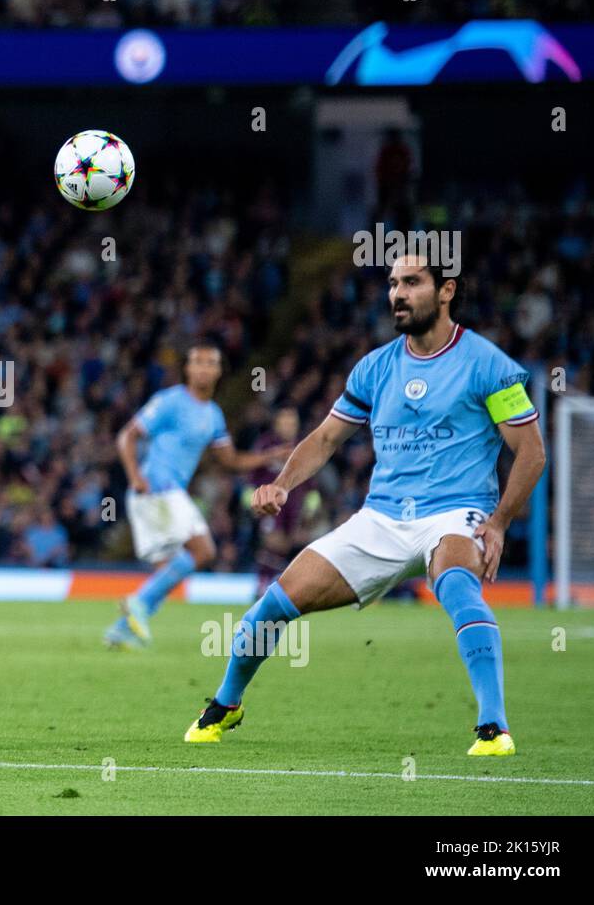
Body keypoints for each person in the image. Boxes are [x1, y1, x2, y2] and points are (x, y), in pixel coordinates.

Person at [184, 256, 545, 756]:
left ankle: (493, 727)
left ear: (446, 291)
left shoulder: (487, 364)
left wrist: (500, 522)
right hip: (380, 518)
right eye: (393, 283)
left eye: (412, 282)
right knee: (277, 602)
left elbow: (531, 451)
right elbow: (328, 437)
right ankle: (227, 703)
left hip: (455, 511)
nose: (398, 293)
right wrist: (284, 483)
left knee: (458, 584)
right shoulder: (375, 367)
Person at [104, 343, 289, 648]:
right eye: (197, 362)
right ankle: (137, 602)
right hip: (156, 487)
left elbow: (229, 461)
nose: (203, 368)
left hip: (166, 493)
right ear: (187, 369)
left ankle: (124, 627)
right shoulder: (170, 401)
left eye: (210, 363)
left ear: (218, 371)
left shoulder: (213, 414)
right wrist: (135, 476)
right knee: (203, 551)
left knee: (176, 564)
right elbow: (127, 435)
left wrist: (270, 456)